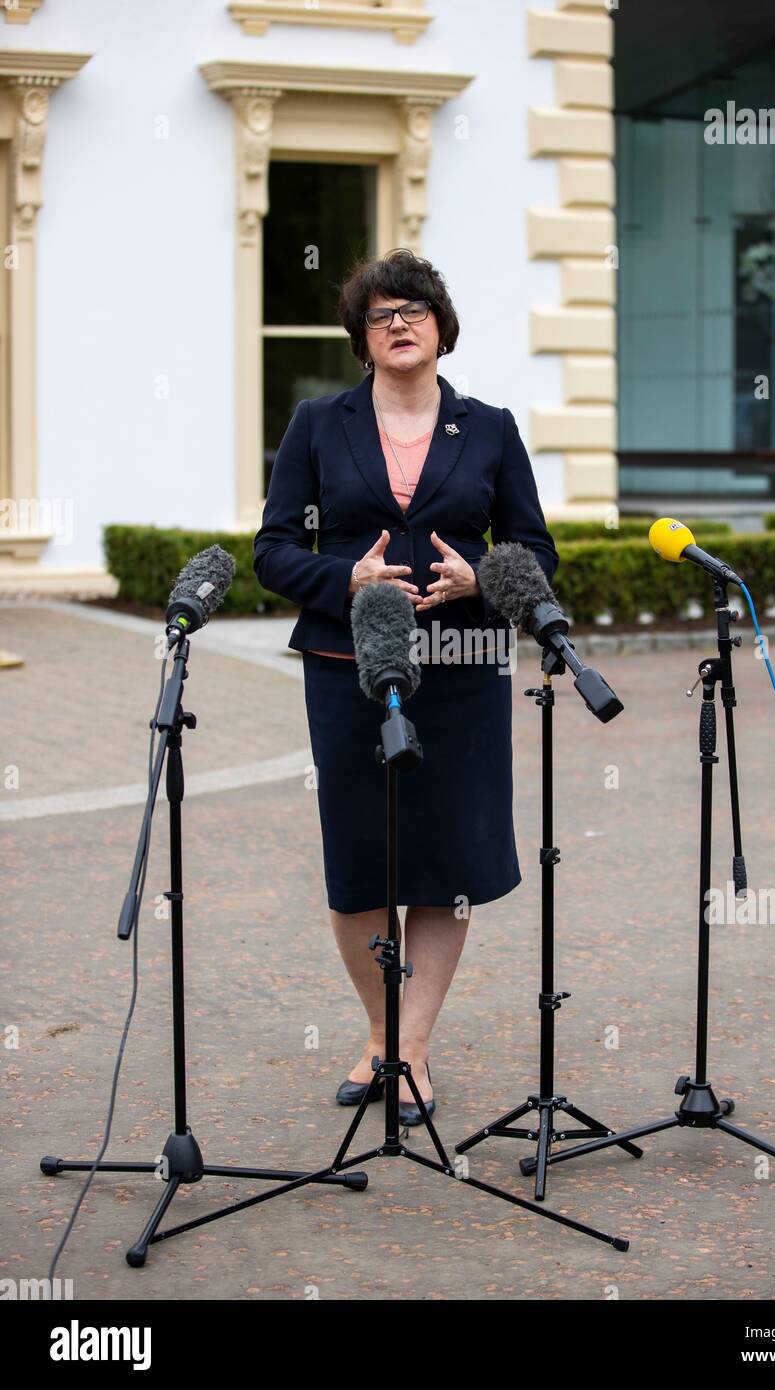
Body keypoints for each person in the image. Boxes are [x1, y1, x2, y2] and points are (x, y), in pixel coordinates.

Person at [253, 248, 558, 1125]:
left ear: (441, 329)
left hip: (462, 673)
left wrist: (482, 579)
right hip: (349, 669)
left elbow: (534, 551)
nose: (398, 323)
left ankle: (413, 1051)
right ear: (361, 336)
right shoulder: (318, 423)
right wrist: (344, 579)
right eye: (381, 313)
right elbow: (273, 550)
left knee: (446, 865)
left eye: (414, 310)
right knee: (358, 868)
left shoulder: (491, 428)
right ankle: (381, 1035)